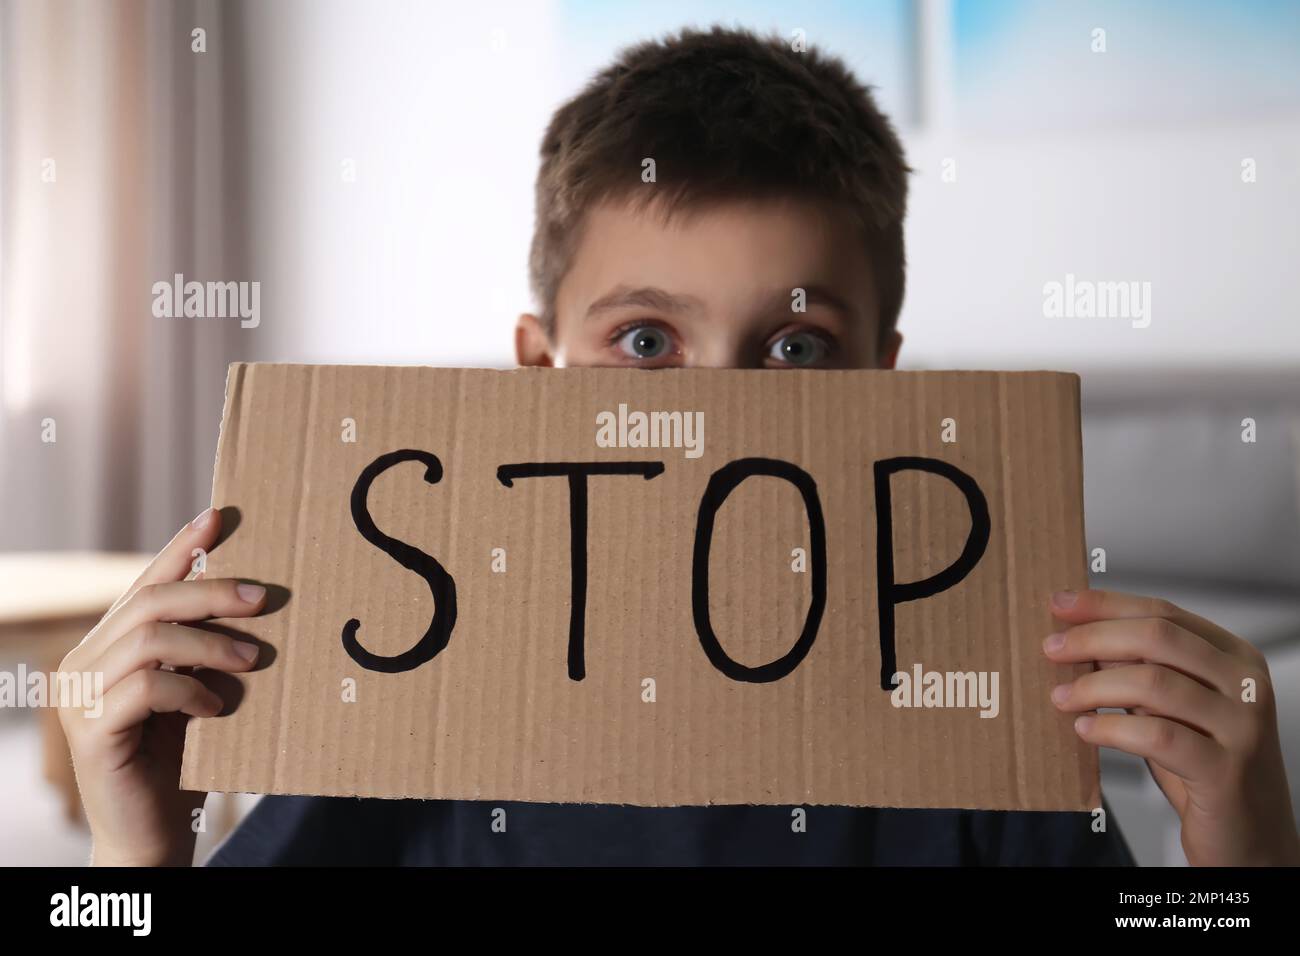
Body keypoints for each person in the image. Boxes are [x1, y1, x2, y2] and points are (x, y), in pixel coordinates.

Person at [59, 26, 1296, 866]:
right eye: (646, 341)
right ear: (540, 370)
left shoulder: (979, 726)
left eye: (796, 348)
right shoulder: (404, 680)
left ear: (882, 382)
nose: (718, 415)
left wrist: (1245, 851)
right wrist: (135, 850)